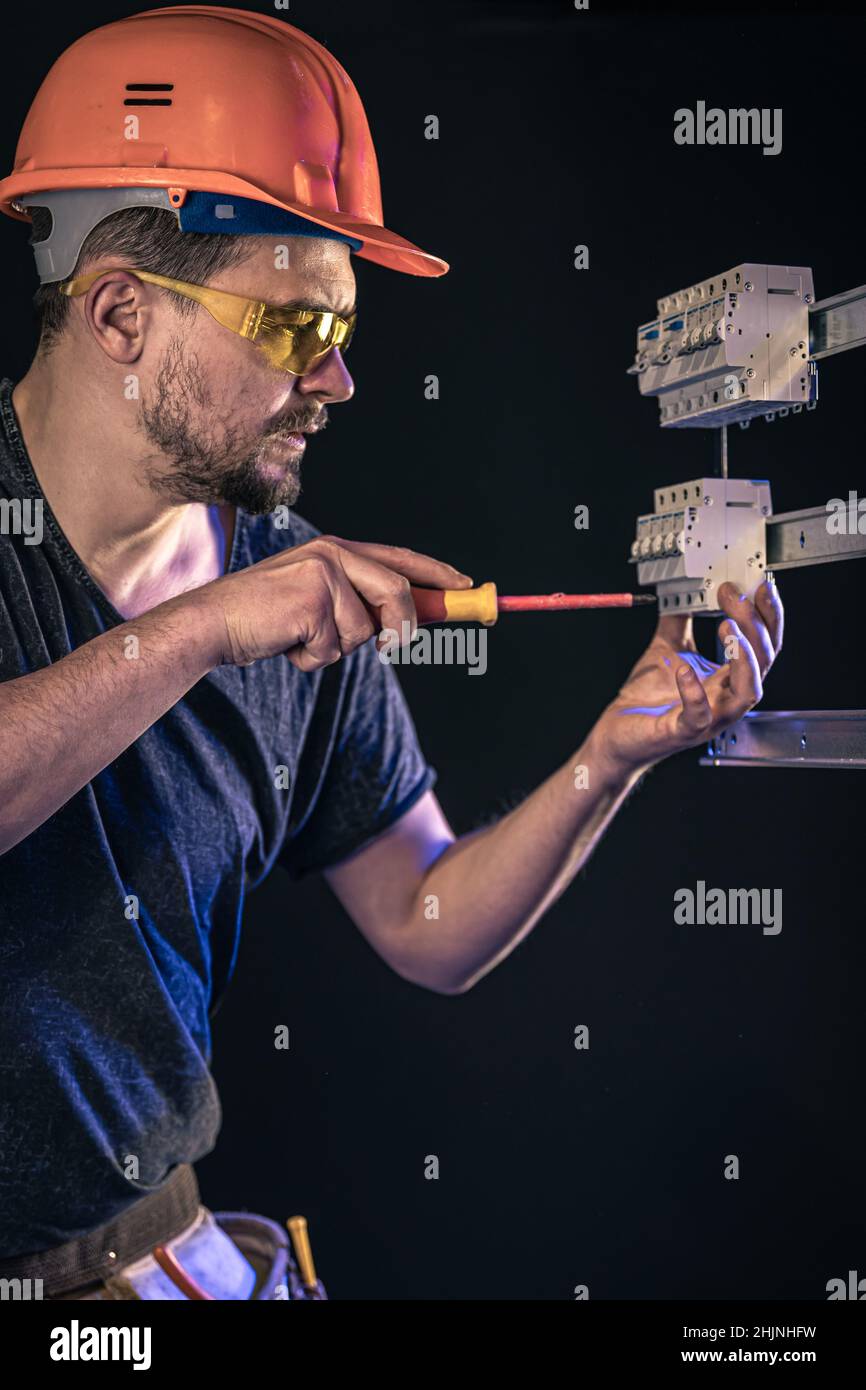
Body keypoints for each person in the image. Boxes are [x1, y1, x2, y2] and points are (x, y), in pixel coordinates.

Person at [0, 7, 783, 1300]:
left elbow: (426, 919)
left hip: (136, 1271)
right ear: (122, 316)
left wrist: (609, 758)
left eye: (343, 330)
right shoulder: (252, 603)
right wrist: (201, 632)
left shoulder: (285, 582)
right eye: (295, 331)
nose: (341, 381)